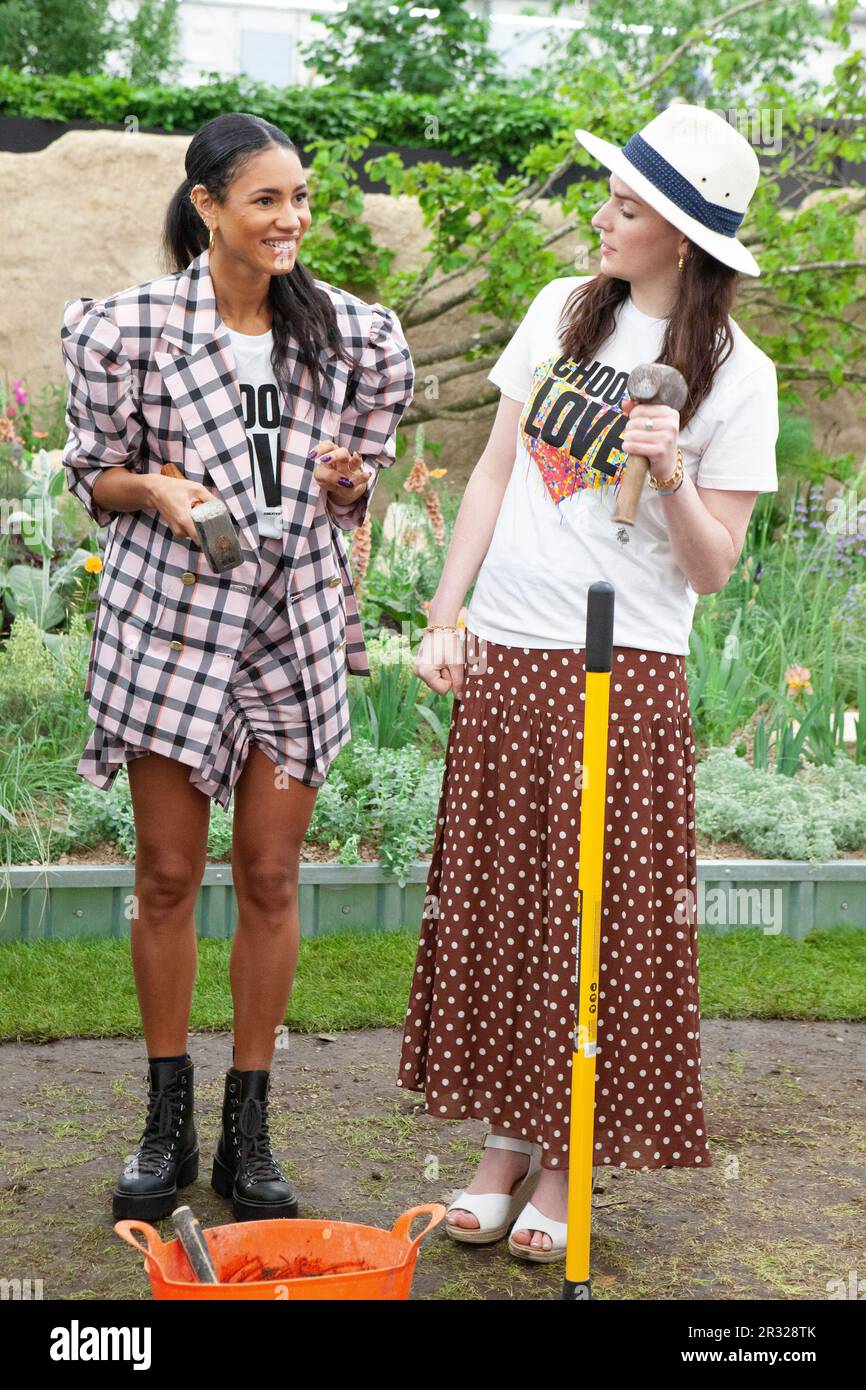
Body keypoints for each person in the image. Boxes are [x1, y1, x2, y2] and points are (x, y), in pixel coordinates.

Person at [399, 103, 779, 1261]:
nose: (600, 219)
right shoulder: (560, 312)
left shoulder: (736, 377)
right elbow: (494, 470)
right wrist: (444, 610)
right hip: (509, 654)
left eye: (624, 207)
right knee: (510, 909)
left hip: (621, 671)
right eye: (610, 200)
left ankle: (567, 1160)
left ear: (678, 235)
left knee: (595, 927)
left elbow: (710, 569)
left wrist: (668, 474)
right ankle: (500, 1152)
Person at [59, 112, 414, 1223]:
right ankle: (163, 1124)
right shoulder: (127, 330)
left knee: (268, 874)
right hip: (169, 621)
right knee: (166, 876)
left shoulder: (351, 335)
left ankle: (246, 1131)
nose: (291, 218)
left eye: (299, 198)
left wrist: (351, 485)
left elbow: (357, 485)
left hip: (288, 622)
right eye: (265, 200)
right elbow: (93, 472)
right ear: (208, 205)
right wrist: (158, 489)